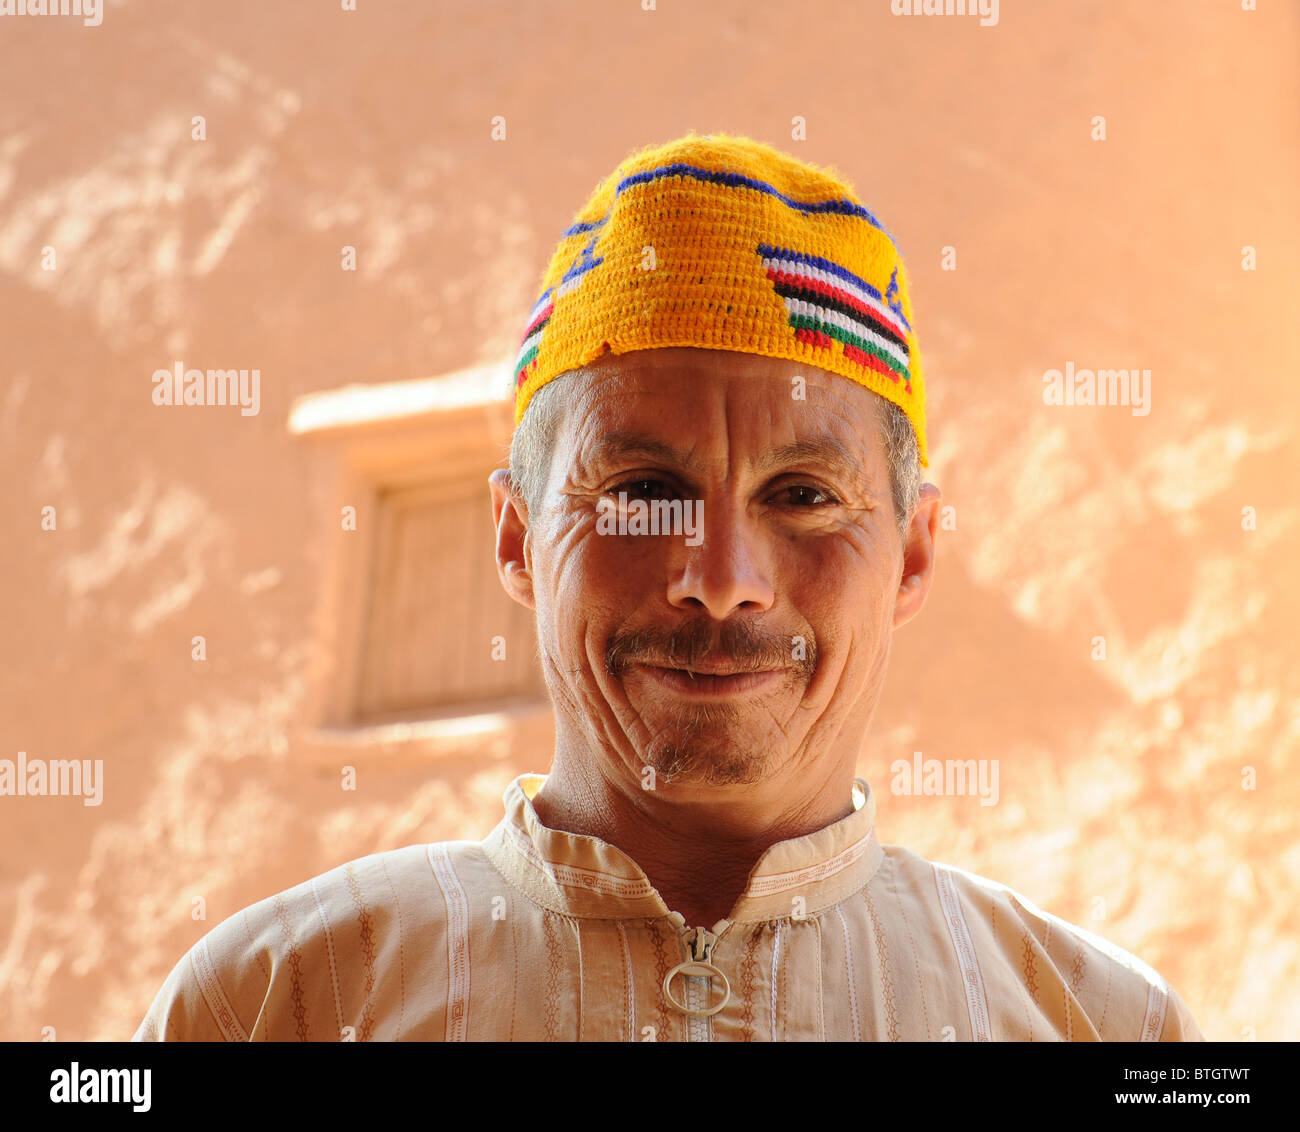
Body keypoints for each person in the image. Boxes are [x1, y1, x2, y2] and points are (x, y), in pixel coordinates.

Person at [133, 131, 1203, 1041]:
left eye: (803, 494)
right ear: (515, 538)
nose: (723, 582)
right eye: (644, 488)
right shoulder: (273, 1005)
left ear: (914, 554)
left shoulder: (1104, 1027)